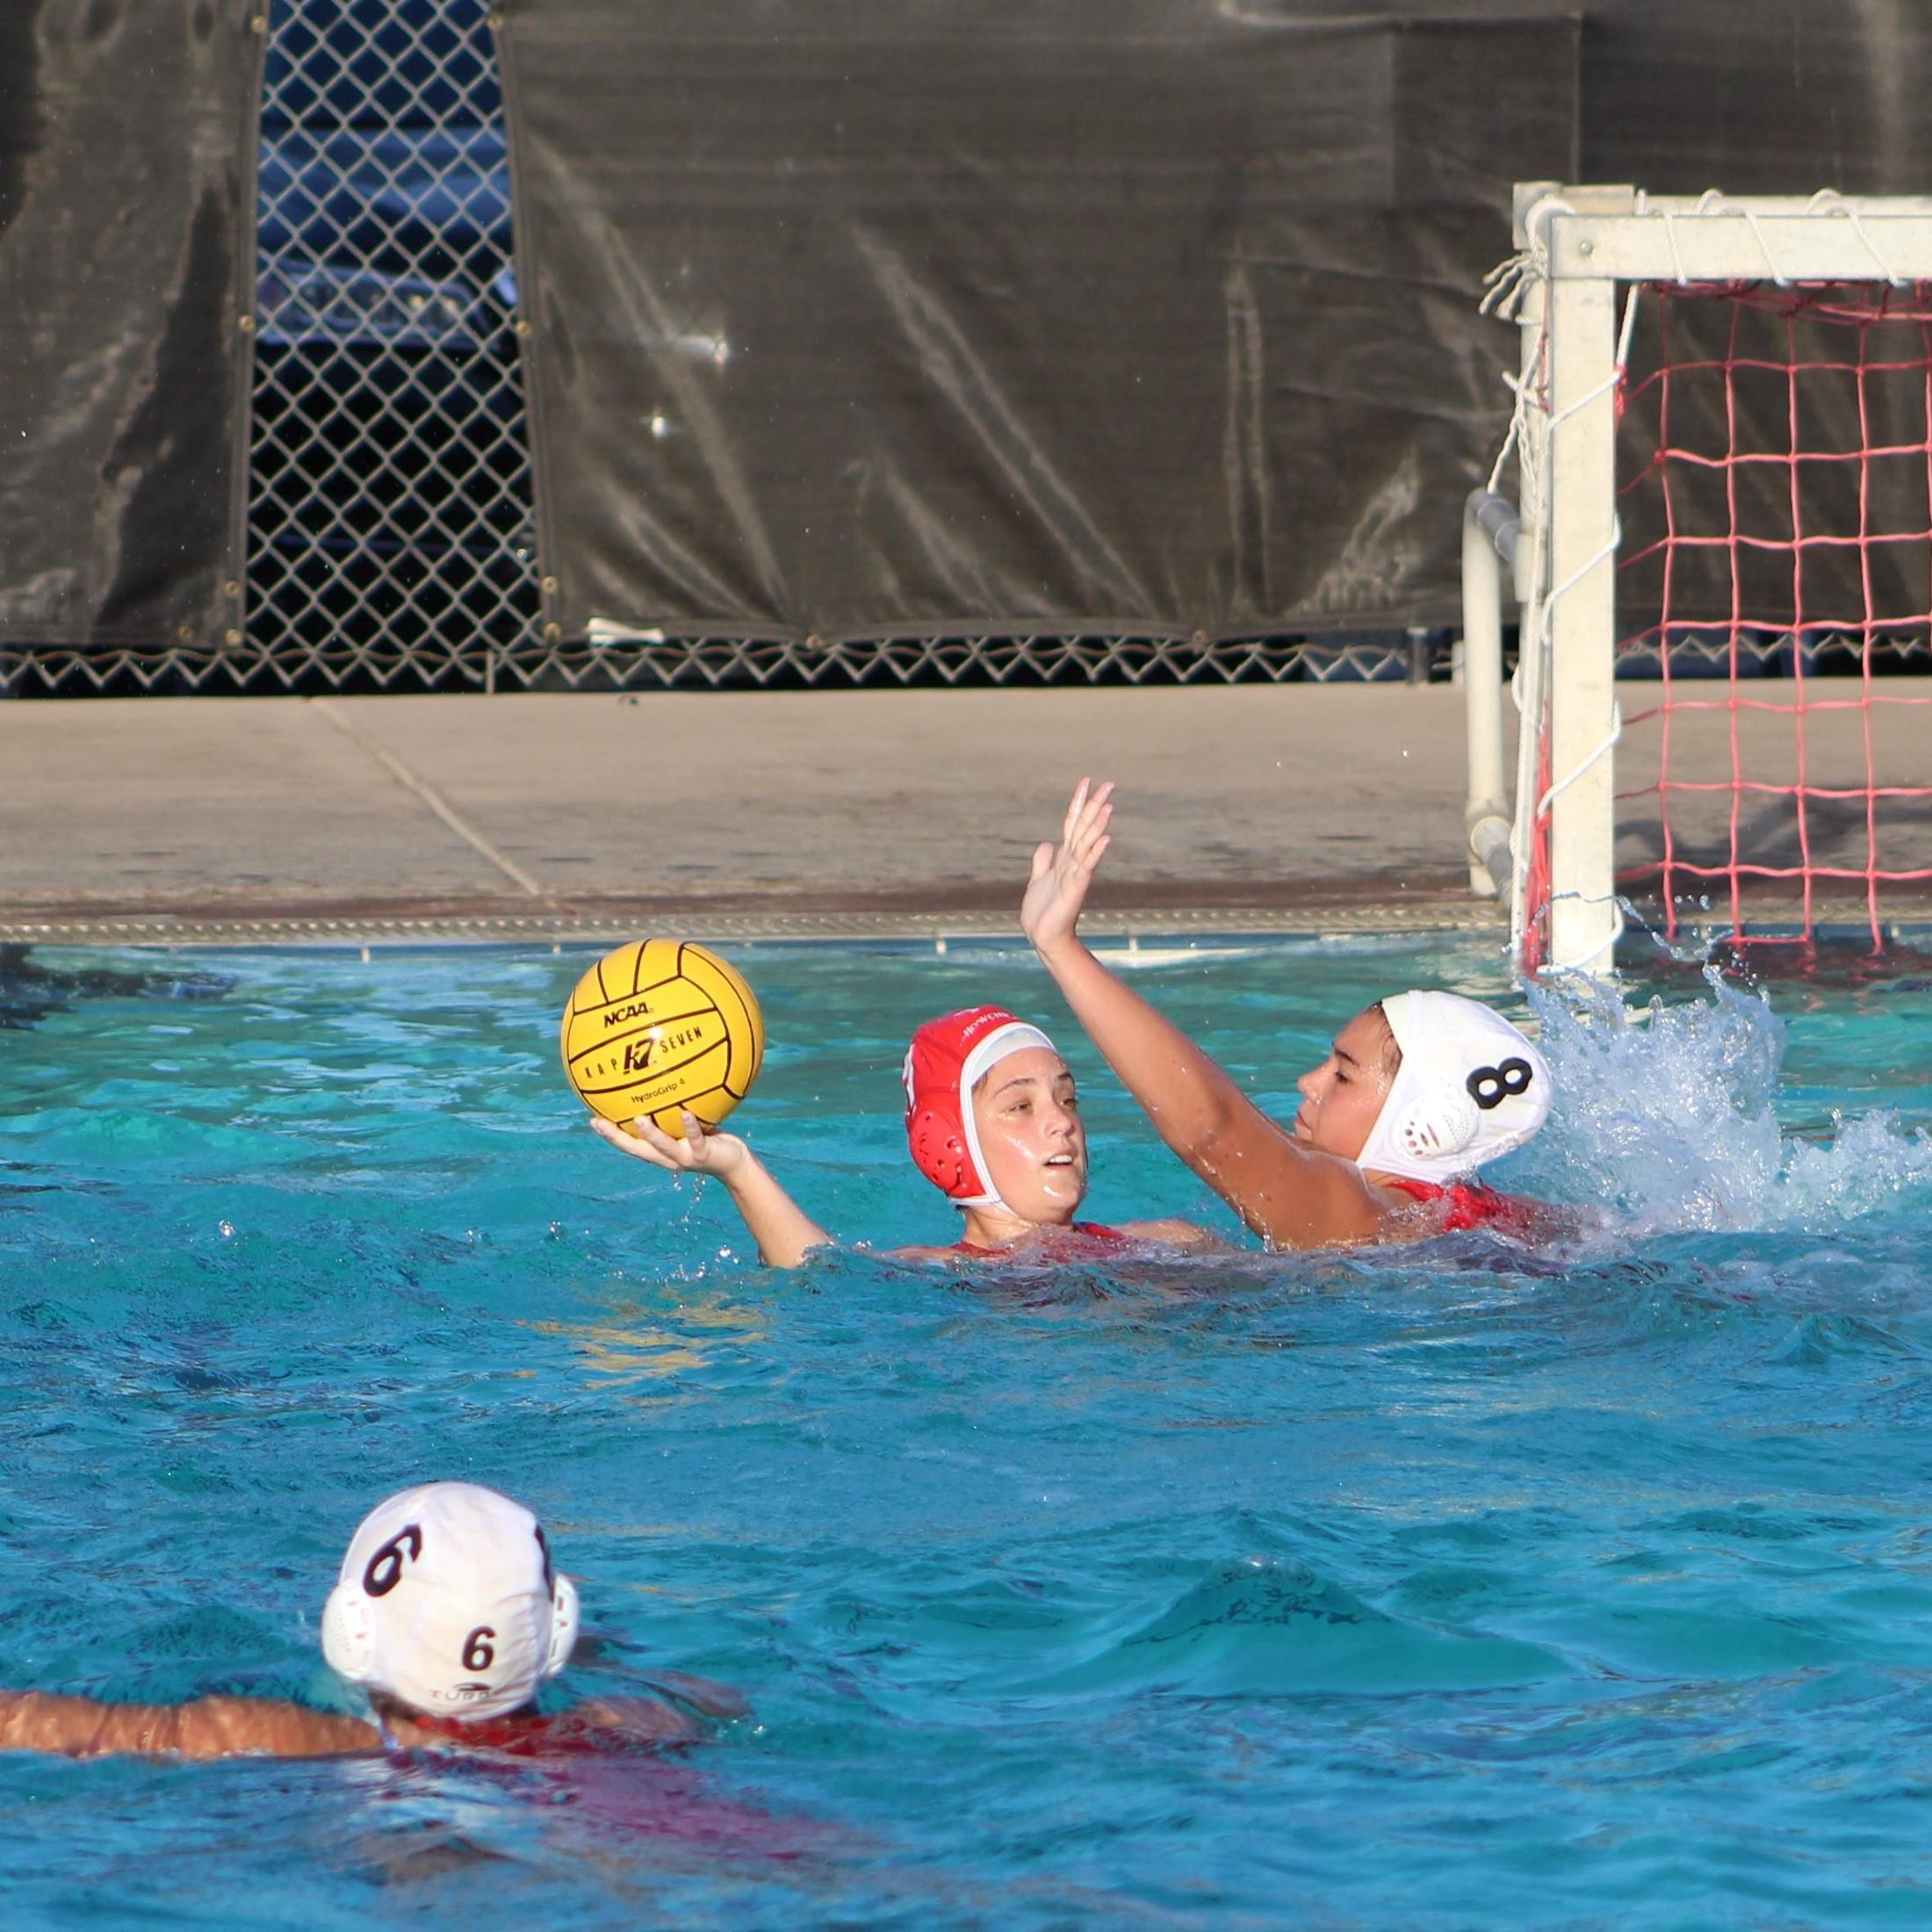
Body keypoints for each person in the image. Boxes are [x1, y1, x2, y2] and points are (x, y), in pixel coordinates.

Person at [1019, 779, 1555, 1250]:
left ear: (1426, 1125)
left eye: (1343, 1074)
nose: (1308, 1082)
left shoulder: (1362, 1215)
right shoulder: (1500, 1218)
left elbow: (1215, 1132)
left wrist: (1061, 950)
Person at [0, 1482, 743, 1760]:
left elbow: (42, 1726)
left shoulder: (296, 1736)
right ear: (556, 1631)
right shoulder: (633, 1722)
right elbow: (720, 1699)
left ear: (351, 1627)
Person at [592, 1006, 1219, 1265]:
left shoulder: (1178, 1242)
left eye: (1067, 1098)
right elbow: (821, 1279)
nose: (1061, 1122)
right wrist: (737, 1167)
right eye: (1019, 1107)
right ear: (948, 1143)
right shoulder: (942, 1277)